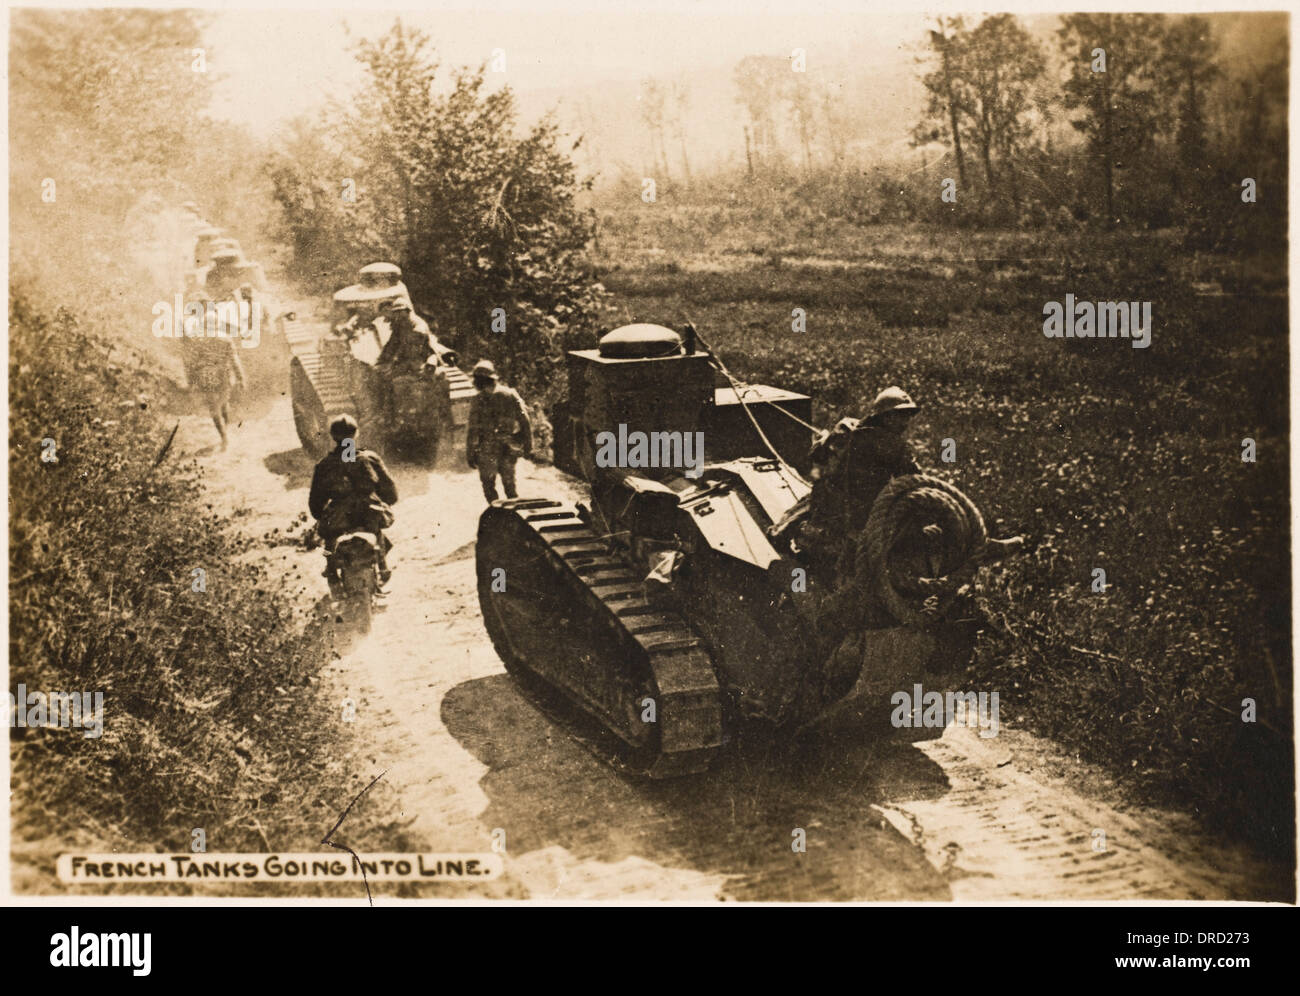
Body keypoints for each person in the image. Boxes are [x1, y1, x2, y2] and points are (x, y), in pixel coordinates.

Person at [308, 415, 398, 584]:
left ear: (332, 436)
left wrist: (322, 514)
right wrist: (383, 501)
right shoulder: (369, 458)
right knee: (376, 528)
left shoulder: (324, 465)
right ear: (356, 434)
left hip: (339, 516)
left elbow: (315, 505)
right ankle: (383, 566)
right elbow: (391, 493)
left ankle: (331, 571)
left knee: (328, 533)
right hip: (369, 512)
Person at [466, 360, 532, 501]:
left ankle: (497, 518)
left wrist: (470, 453)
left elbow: (472, 430)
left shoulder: (478, 399)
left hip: (487, 450)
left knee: (489, 488)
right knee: (511, 489)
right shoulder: (511, 394)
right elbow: (525, 421)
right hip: (508, 446)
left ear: (479, 380)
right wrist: (527, 445)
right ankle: (513, 518)